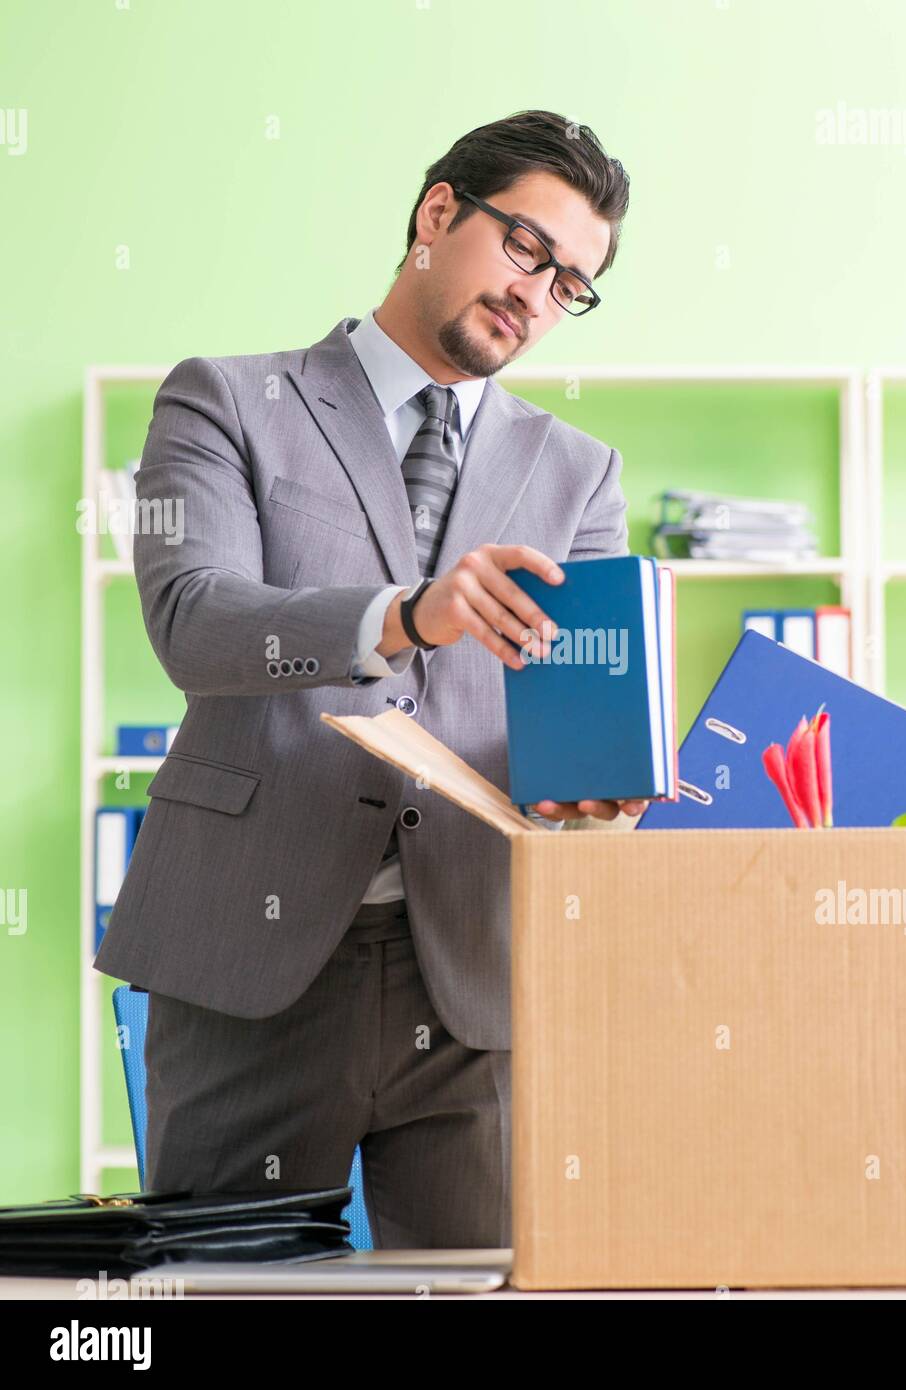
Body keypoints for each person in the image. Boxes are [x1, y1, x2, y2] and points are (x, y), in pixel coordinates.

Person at [93, 109, 642, 1248]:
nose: (539, 295)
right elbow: (192, 620)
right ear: (438, 213)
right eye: (527, 249)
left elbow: (571, 704)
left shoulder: (580, 473)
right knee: (229, 1289)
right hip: (255, 957)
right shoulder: (227, 399)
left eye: (572, 283)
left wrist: (597, 789)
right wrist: (399, 615)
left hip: (477, 974)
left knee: (486, 1286)